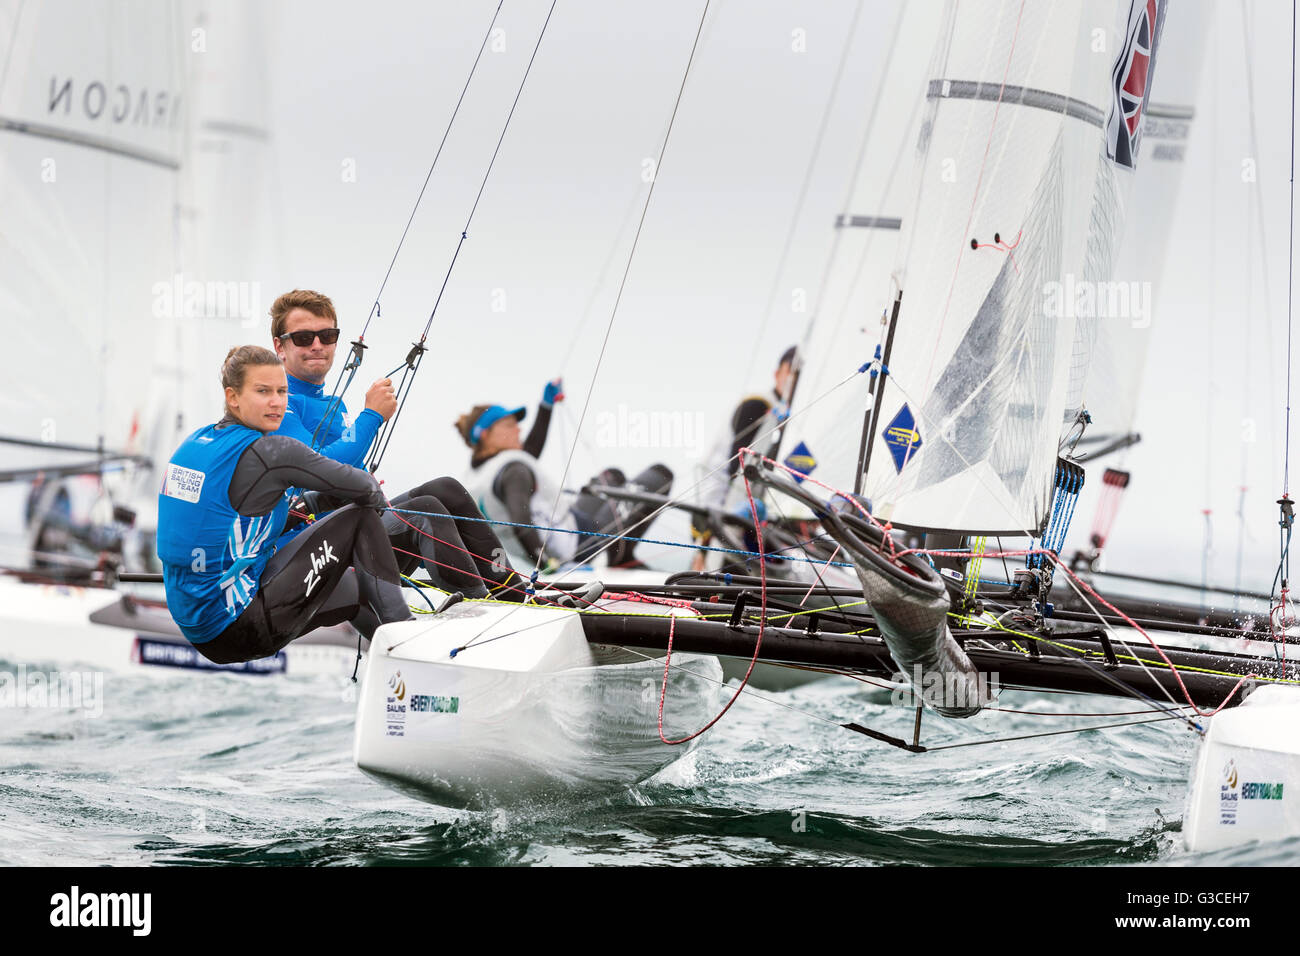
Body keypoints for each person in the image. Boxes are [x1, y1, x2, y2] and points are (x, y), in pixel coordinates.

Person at [156, 346, 413, 665]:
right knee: (359, 518)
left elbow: (227, 525)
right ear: (233, 397)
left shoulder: (196, 442)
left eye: (282, 391)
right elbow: (366, 489)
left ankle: (401, 665)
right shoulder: (271, 451)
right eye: (263, 391)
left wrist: (315, 502)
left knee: (356, 588)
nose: (277, 402)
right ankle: (405, 636)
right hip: (239, 624)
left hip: (200, 630)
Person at [268, 289, 526, 600]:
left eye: (327, 335)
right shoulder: (279, 405)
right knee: (425, 511)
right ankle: (477, 606)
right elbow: (317, 467)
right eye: (303, 337)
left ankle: (514, 594)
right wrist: (371, 416)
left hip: (356, 529)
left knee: (446, 489)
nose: (317, 345)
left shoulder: (329, 402)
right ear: (280, 347)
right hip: (315, 555)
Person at [456, 384, 673, 570]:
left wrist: (546, 406)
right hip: (589, 547)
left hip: (574, 526)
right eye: (510, 425)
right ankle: (620, 558)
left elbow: (528, 453)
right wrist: (549, 566)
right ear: (484, 434)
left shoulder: (481, 474)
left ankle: (624, 557)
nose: (518, 430)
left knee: (612, 476)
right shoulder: (513, 471)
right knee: (660, 474)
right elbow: (521, 524)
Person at [690, 346, 797, 571]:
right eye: (791, 371)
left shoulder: (787, 414)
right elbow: (738, 469)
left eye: (799, 375)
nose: (794, 380)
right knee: (715, 576)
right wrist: (706, 545)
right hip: (718, 511)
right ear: (778, 374)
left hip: (736, 514)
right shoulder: (759, 404)